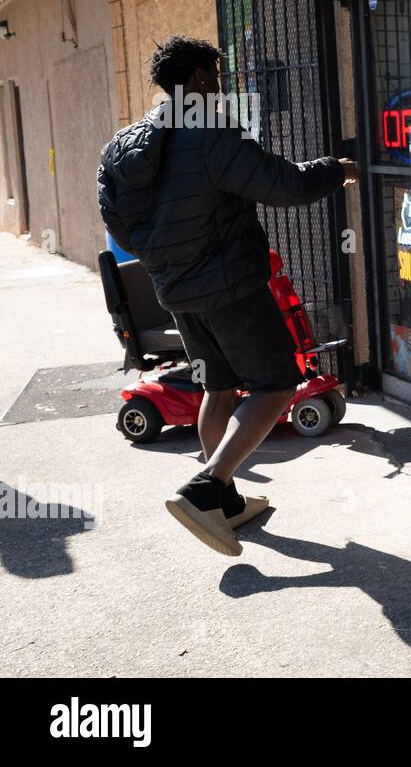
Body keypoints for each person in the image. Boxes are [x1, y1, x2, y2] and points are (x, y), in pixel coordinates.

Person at [97, 35, 359, 557]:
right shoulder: (211, 135)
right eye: (215, 78)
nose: (219, 89)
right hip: (231, 287)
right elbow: (284, 185)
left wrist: (167, 259)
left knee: (218, 389)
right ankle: (206, 487)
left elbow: (119, 229)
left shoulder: (120, 147)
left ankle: (229, 506)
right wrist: (340, 169)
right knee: (277, 385)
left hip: (174, 289)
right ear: (196, 79)